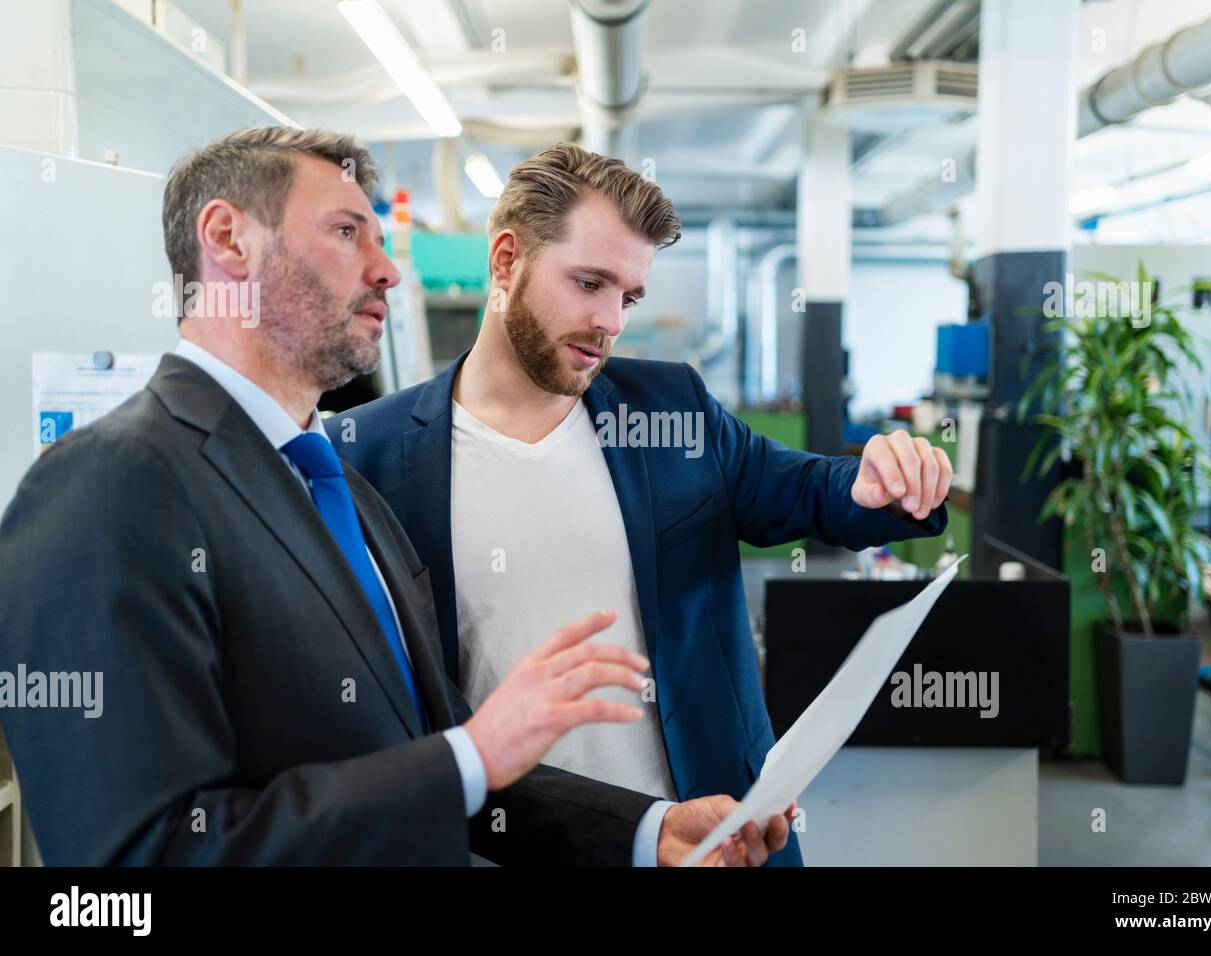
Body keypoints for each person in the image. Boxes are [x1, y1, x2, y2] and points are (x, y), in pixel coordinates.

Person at [0, 127, 791, 866]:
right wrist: (469, 756)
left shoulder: (344, 493)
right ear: (228, 241)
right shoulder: (108, 485)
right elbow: (137, 859)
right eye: (348, 232)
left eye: (381, 240)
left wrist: (648, 832)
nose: (387, 269)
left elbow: (447, 759)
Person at [329, 142, 952, 867]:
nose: (611, 323)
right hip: (510, 846)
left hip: (715, 834)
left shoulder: (671, 410)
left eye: (627, 296)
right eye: (588, 283)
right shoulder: (367, 454)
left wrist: (875, 483)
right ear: (505, 261)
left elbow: (802, 490)